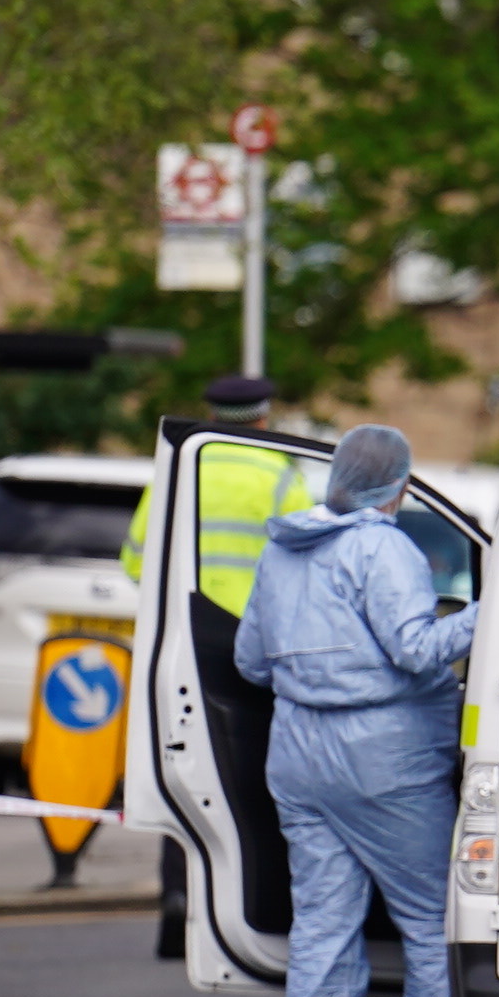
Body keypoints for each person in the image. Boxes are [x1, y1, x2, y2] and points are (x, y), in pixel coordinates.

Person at [232, 426, 476, 997]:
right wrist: (492, 616)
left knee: (325, 924)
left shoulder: (283, 548)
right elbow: (415, 649)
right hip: (385, 760)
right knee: (430, 919)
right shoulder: (385, 548)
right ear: (397, 486)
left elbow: (250, 661)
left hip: (298, 758)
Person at [122, 375, 312, 959]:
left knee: (181, 765)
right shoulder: (280, 473)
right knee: (254, 772)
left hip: (183, 640)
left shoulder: (178, 472)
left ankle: (179, 894)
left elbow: (134, 562)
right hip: (255, 648)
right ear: (262, 418)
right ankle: (254, 902)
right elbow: (306, 565)